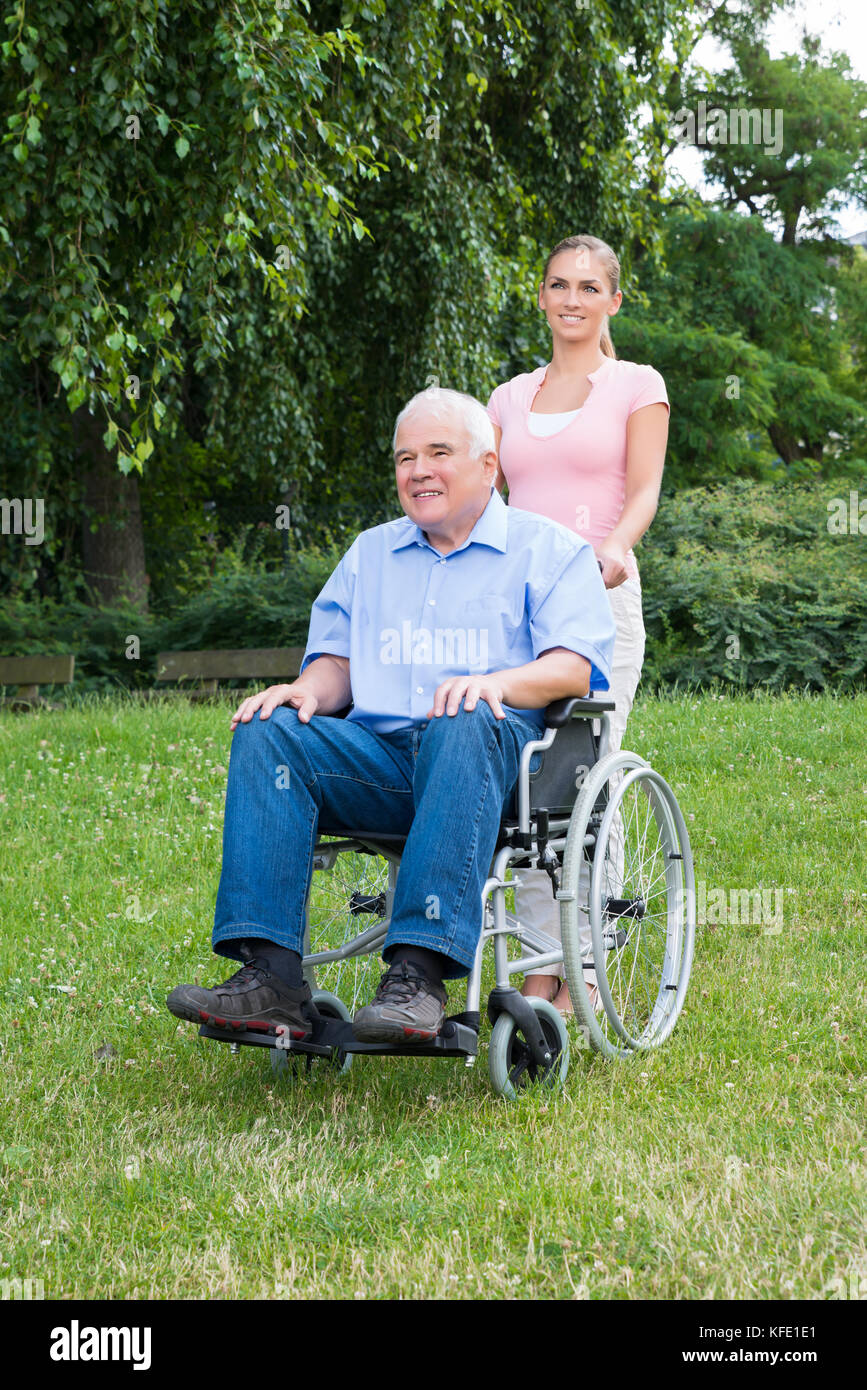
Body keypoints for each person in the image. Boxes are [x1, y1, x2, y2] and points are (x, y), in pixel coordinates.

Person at [167, 389, 616, 1044]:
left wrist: (490, 682)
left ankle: (418, 977)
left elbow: (571, 668)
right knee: (269, 727)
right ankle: (271, 979)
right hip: (380, 763)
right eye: (404, 458)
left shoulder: (547, 550)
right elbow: (336, 663)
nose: (417, 471)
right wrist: (304, 691)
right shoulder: (371, 554)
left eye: (438, 453)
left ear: (488, 465)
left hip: (494, 769)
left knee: (464, 715)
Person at [486, 234, 669, 1017]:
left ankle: (583, 961)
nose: (571, 299)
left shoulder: (636, 384)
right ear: (540, 296)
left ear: (612, 301)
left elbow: (644, 490)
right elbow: (484, 504)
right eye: (558, 285)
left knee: (586, 767)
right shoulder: (504, 400)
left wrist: (616, 544)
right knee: (528, 781)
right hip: (516, 610)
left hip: (598, 597)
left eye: (588, 287)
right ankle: (543, 968)